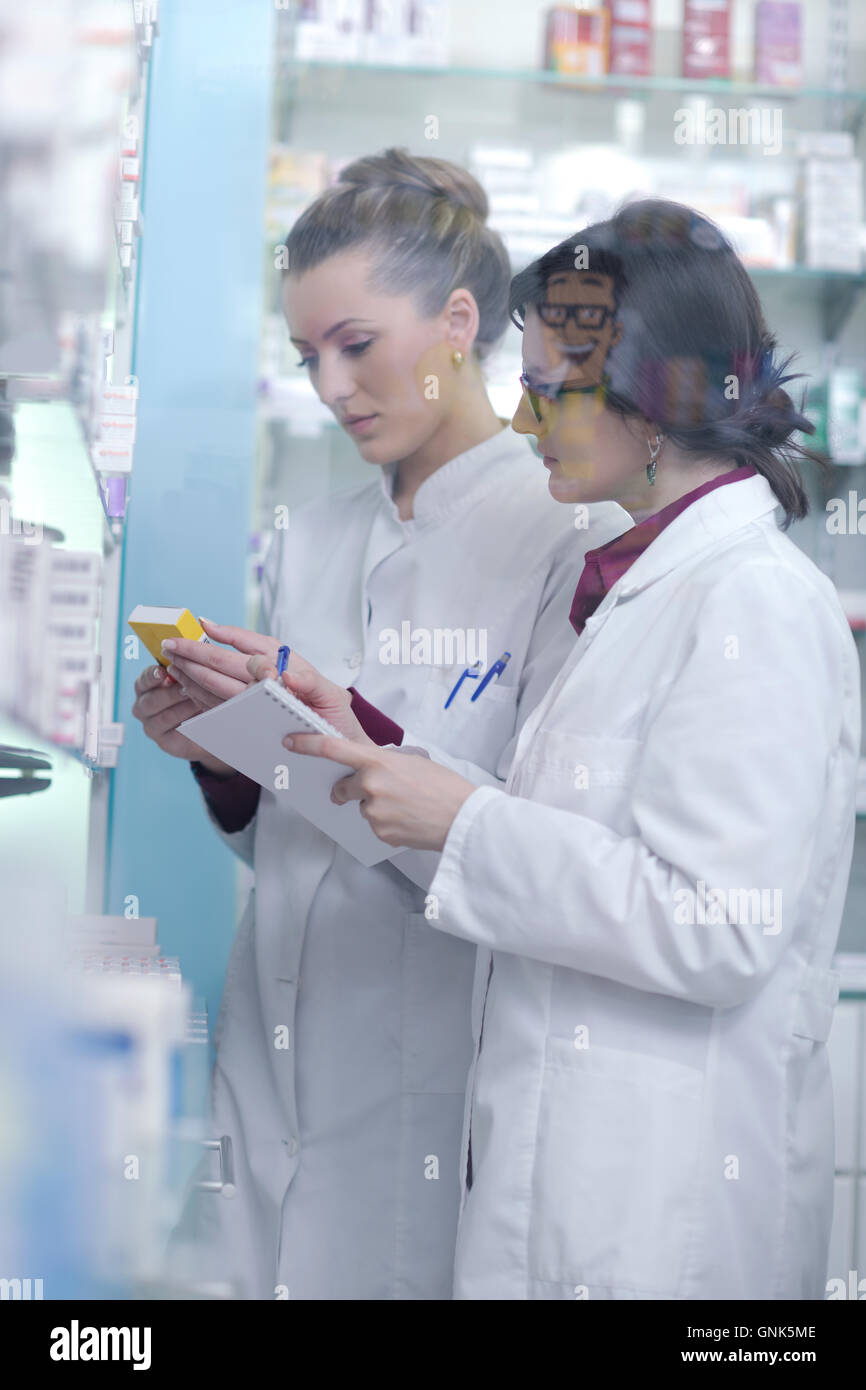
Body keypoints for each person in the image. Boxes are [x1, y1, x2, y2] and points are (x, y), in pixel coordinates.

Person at [286, 198, 861, 1299]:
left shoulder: (753, 603)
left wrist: (465, 823)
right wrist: (356, 738)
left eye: (548, 391)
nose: (517, 417)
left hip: (662, 1216)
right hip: (556, 1184)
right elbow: (543, 833)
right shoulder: (627, 583)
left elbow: (715, 927)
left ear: (654, 403)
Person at [131, 149, 628, 1299]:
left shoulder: (563, 536)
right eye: (309, 357)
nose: (331, 385)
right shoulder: (311, 531)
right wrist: (227, 770)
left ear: (458, 322)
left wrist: (345, 727)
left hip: (431, 1060)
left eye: (357, 344)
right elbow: (293, 839)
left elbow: (534, 847)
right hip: (274, 1048)